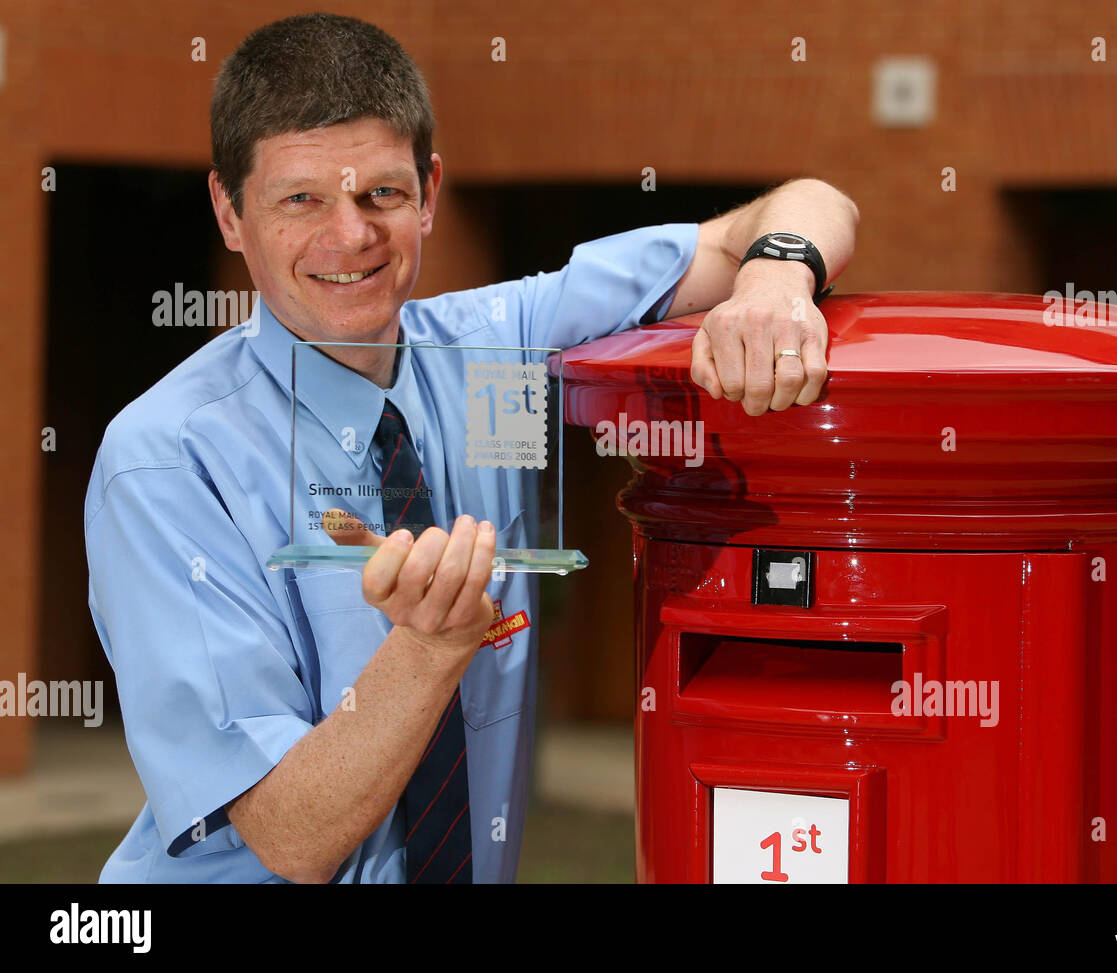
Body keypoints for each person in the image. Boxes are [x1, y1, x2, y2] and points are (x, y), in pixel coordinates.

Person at [85, 12, 858, 883]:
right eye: (300, 199)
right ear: (230, 210)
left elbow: (812, 204)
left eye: (381, 192)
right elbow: (292, 836)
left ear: (430, 191)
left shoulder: (499, 355)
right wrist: (428, 646)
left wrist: (776, 275)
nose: (350, 235)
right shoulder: (165, 459)